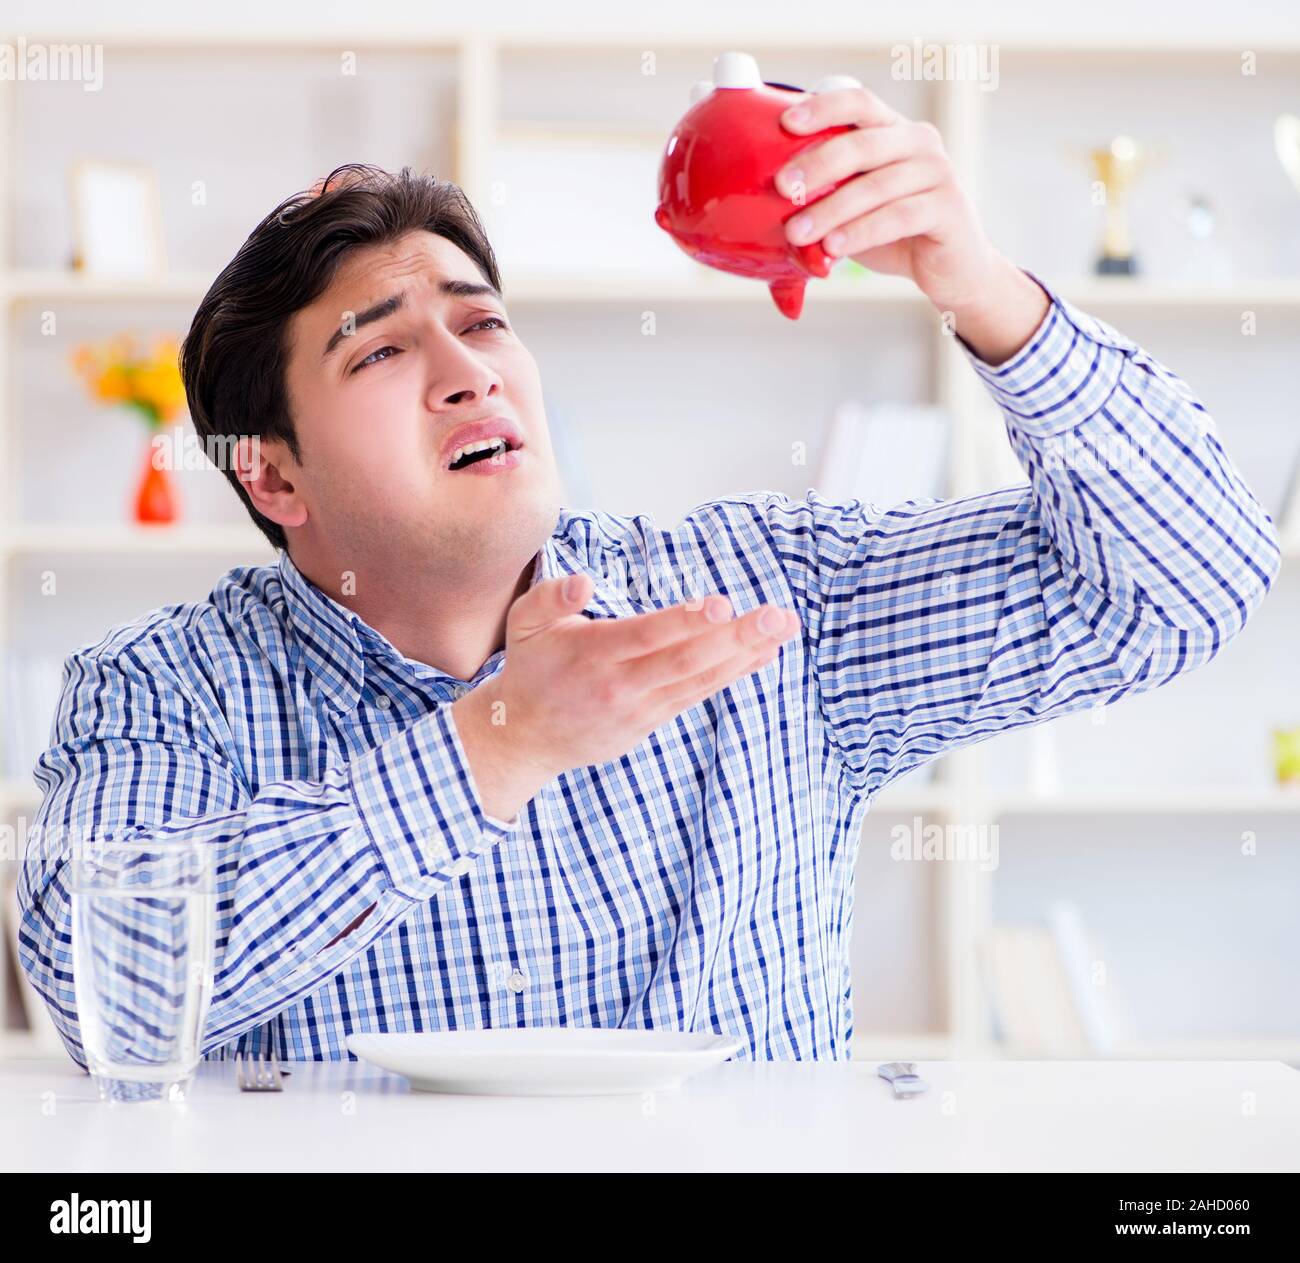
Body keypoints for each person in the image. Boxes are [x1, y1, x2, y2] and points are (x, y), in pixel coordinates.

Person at [18, 86, 1280, 1068]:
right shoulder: (162, 690)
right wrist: (492, 749)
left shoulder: (758, 598)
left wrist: (983, 288)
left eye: (483, 319)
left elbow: (1192, 578)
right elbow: (105, 994)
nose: (472, 370)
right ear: (276, 481)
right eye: (381, 351)